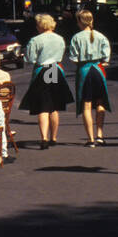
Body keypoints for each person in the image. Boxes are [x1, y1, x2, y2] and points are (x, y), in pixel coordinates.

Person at [19, 14, 73, 148]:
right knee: (53, 106)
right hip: (54, 68)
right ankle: (53, 137)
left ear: (40, 26)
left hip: (42, 70)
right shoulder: (60, 39)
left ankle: (44, 137)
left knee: (43, 105)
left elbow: (30, 59)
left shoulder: (35, 40)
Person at [68, 10, 111, 147]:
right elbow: (106, 56)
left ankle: (90, 139)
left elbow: (74, 58)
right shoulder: (100, 36)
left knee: (86, 105)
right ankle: (100, 135)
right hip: (98, 69)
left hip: (84, 70)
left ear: (80, 21)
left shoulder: (76, 37)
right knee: (100, 102)